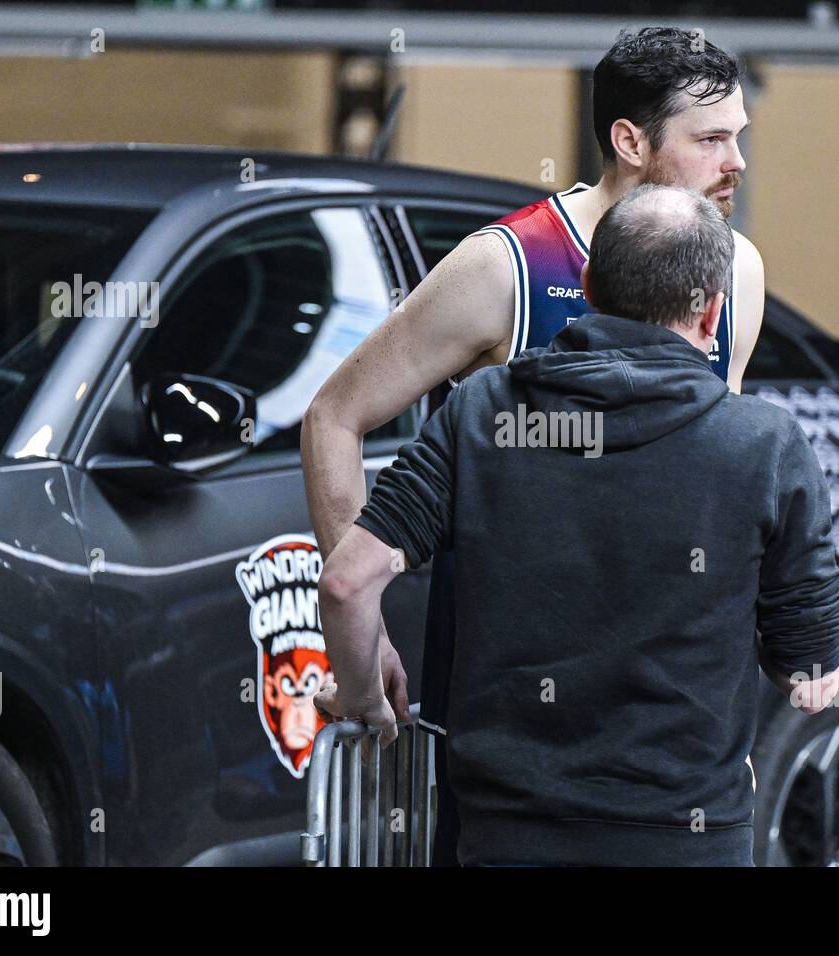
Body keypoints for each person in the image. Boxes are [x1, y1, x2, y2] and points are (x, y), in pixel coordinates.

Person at [301, 26, 766, 865]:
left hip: (665, 756)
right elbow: (333, 415)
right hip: (510, 747)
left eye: (739, 137)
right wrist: (361, 653)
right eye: (711, 139)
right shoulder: (508, 266)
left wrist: (727, 718)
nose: (736, 162)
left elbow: (713, 496)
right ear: (629, 140)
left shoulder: (736, 268)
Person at [313, 185, 839, 866]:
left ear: (589, 286)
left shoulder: (483, 414)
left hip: (506, 837)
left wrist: (365, 700)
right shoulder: (764, 445)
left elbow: (347, 584)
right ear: (714, 311)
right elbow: (808, 675)